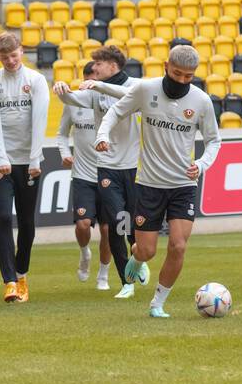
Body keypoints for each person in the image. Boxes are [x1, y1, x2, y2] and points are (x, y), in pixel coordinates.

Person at [94, 44, 222, 318]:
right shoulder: (145, 89)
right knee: (147, 251)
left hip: (183, 185)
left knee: (178, 245)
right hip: (149, 185)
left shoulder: (201, 101)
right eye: (178, 74)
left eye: (189, 76)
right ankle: (137, 259)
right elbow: (115, 112)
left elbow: (213, 140)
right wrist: (102, 136)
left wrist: (201, 164)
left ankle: (157, 304)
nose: (183, 81)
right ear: (166, 66)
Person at [59, 45, 146, 298]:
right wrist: (62, 90)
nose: (93, 68)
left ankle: (138, 259)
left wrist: (98, 86)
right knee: (117, 223)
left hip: (134, 167)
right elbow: (73, 100)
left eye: (97, 64)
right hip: (106, 167)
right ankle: (126, 282)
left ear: (112, 65)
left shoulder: (135, 85)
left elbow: (127, 94)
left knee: (133, 228)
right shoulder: (95, 91)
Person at [0, 32, 50, 303]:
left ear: (22, 51)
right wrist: (1, 157)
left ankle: (21, 274)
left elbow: (39, 119)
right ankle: (9, 281)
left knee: (27, 222)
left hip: (29, 162)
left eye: (14, 54)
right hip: (1, 161)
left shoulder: (35, 80)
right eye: (5, 56)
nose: (10, 60)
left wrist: (34, 159)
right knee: (4, 218)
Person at [57, 61, 111, 286]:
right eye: (88, 81)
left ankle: (103, 275)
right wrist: (64, 153)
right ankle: (84, 253)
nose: (90, 86)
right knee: (82, 224)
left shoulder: (111, 102)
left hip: (109, 173)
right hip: (82, 175)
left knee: (108, 230)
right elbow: (61, 134)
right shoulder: (73, 104)